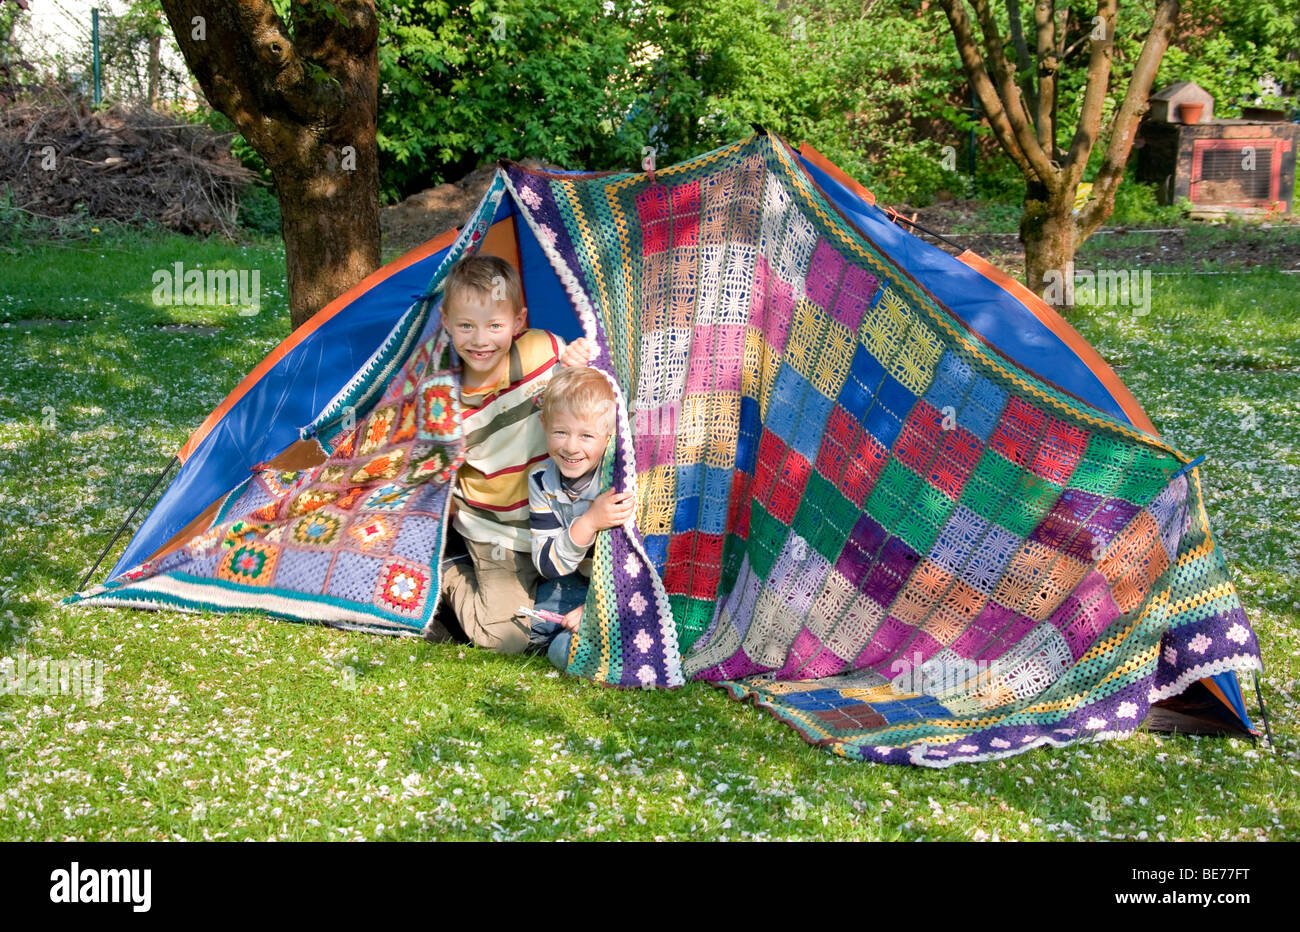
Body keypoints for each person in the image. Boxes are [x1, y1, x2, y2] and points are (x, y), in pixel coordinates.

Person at [433, 254, 595, 653]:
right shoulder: (444, 397)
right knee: (502, 642)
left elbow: (584, 400)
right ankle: (448, 570)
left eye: (495, 326)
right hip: (496, 530)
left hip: (556, 517)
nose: (480, 339)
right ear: (446, 323)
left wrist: (581, 362)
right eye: (466, 326)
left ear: (518, 322)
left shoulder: (543, 350)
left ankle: (549, 597)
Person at [525, 365, 636, 669]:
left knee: (561, 651)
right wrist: (588, 522)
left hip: (622, 593)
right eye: (560, 432)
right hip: (574, 580)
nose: (571, 447)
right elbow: (547, 564)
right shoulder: (541, 481)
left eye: (586, 435)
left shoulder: (620, 482)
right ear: (544, 424)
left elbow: (642, 567)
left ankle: (591, 639)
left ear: (610, 435)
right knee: (524, 627)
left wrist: (594, 608)